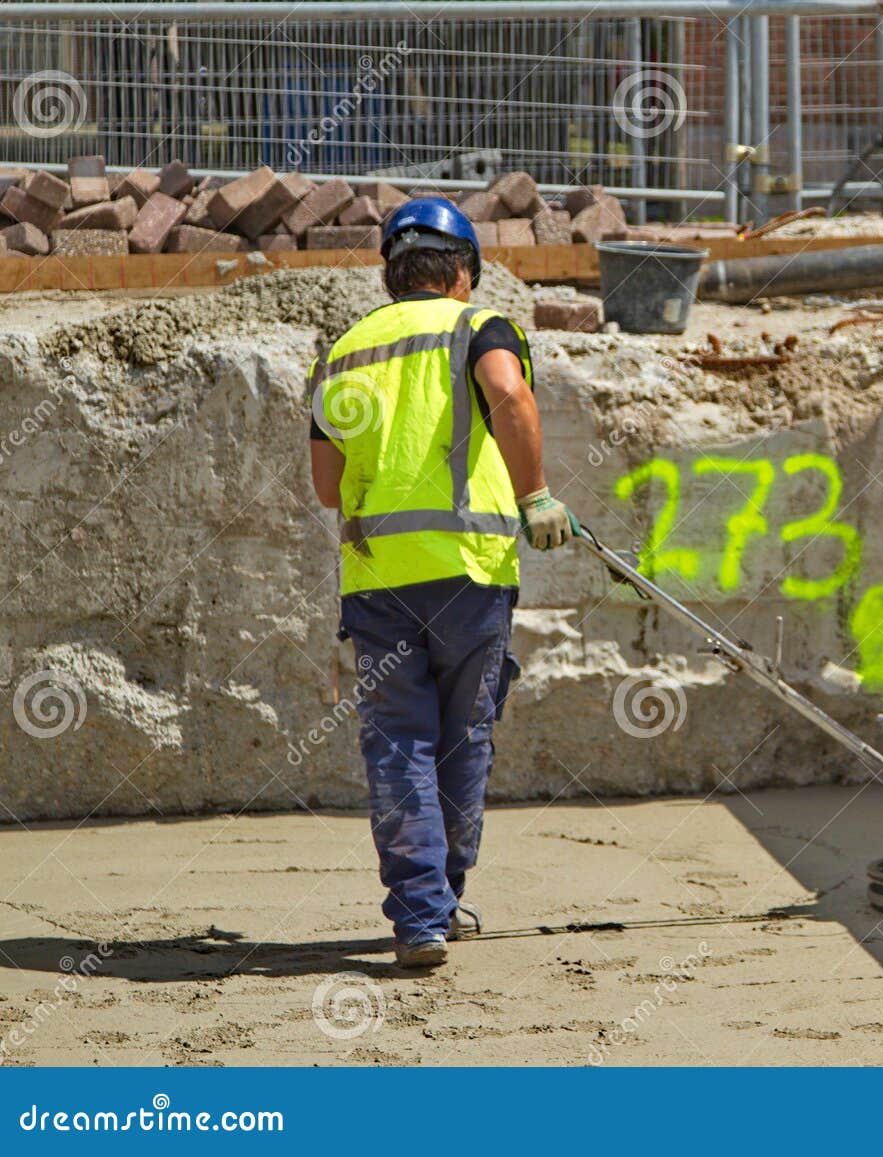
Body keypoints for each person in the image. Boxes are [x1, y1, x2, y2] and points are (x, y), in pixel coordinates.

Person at [307, 197, 576, 968]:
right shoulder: (479, 326)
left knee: (398, 744)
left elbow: (329, 487)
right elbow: (510, 395)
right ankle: (445, 897)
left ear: (393, 276)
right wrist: (536, 496)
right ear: (464, 272)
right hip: (471, 574)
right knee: (465, 739)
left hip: (378, 583)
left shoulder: (346, 350)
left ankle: (421, 917)